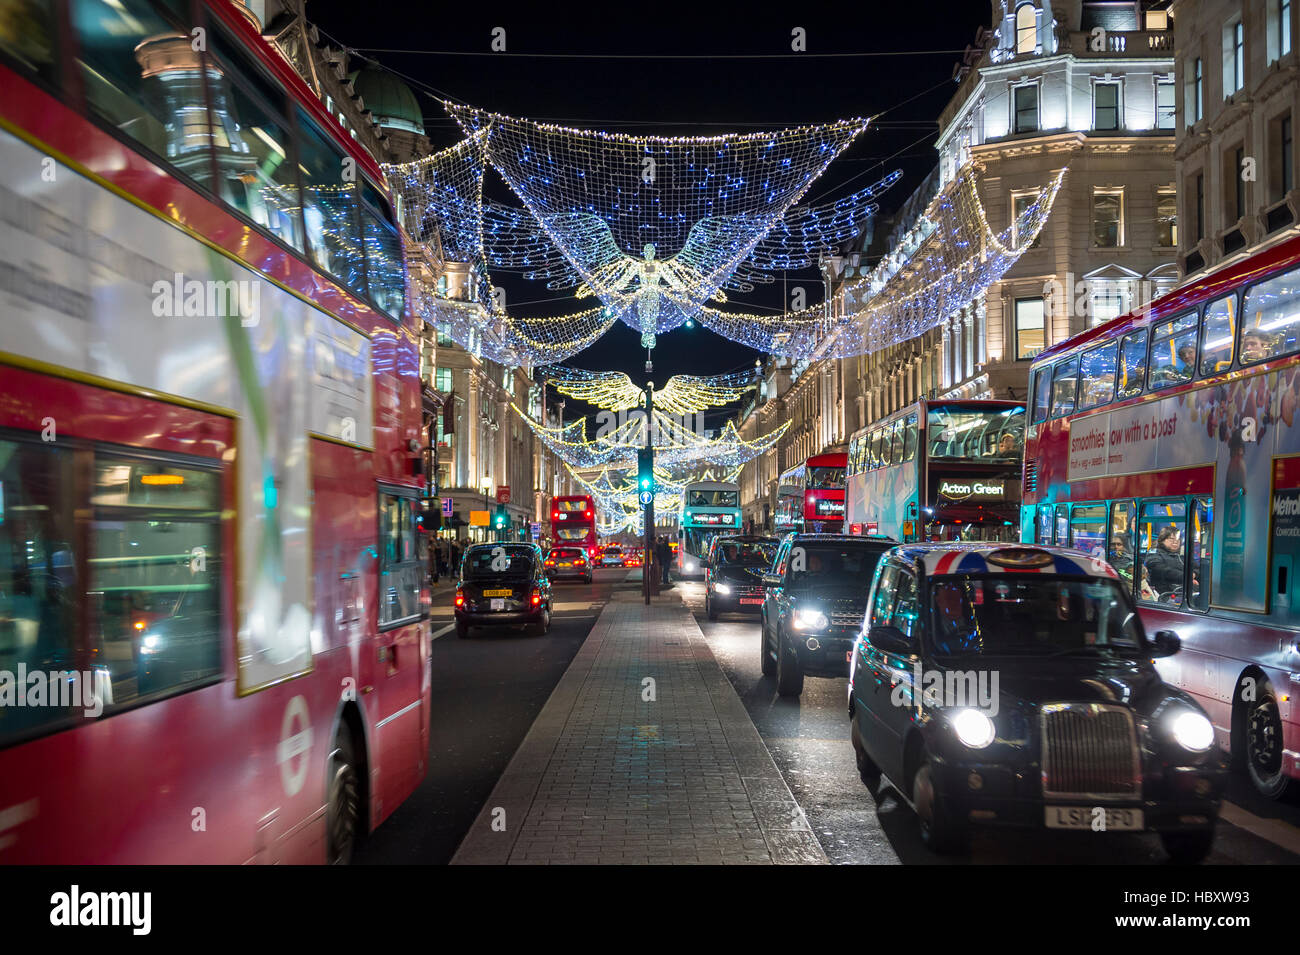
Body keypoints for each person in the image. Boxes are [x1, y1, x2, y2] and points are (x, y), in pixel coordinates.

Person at [1144, 526, 1185, 597]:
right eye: (1171, 539)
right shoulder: (1154, 553)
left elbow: (1195, 567)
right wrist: (1186, 577)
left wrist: (1194, 574)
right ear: (1162, 540)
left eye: (1178, 539)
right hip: (1164, 594)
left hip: (1183, 590)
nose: (1175, 542)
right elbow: (1161, 570)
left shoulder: (1181, 555)